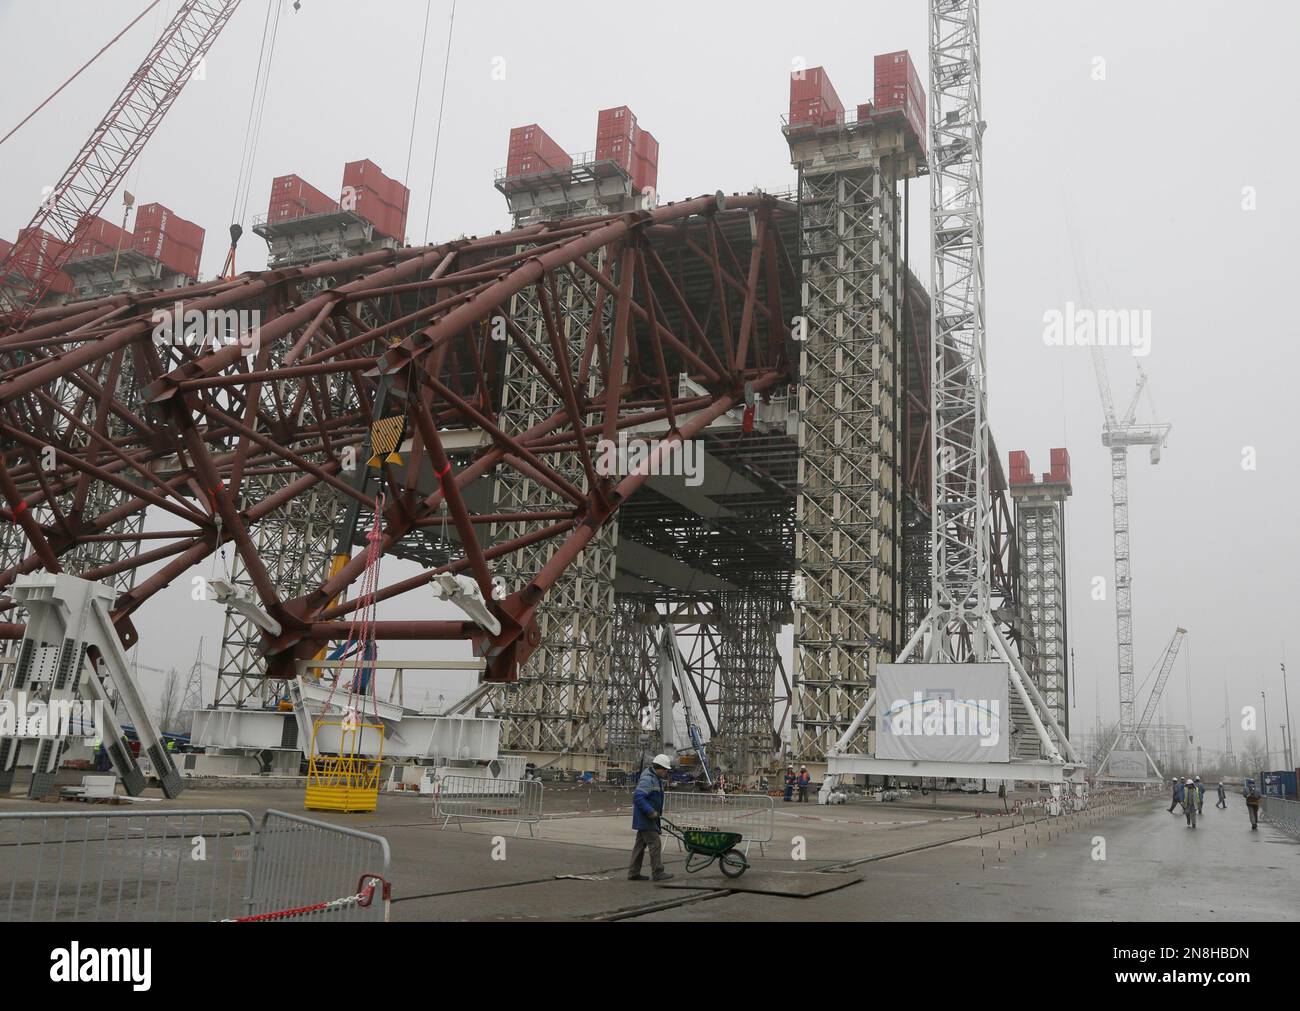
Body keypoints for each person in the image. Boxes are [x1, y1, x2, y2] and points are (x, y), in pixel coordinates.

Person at [628, 754, 674, 882]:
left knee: (640, 846)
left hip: (647, 818)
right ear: (659, 768)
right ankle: (658, 872)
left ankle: (633, 873)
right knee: (655, 843)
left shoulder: (655, 778)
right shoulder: (648, 779)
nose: (666, 772)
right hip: (646, 818)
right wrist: (650, 812)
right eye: (665, 770)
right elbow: (638, 797)